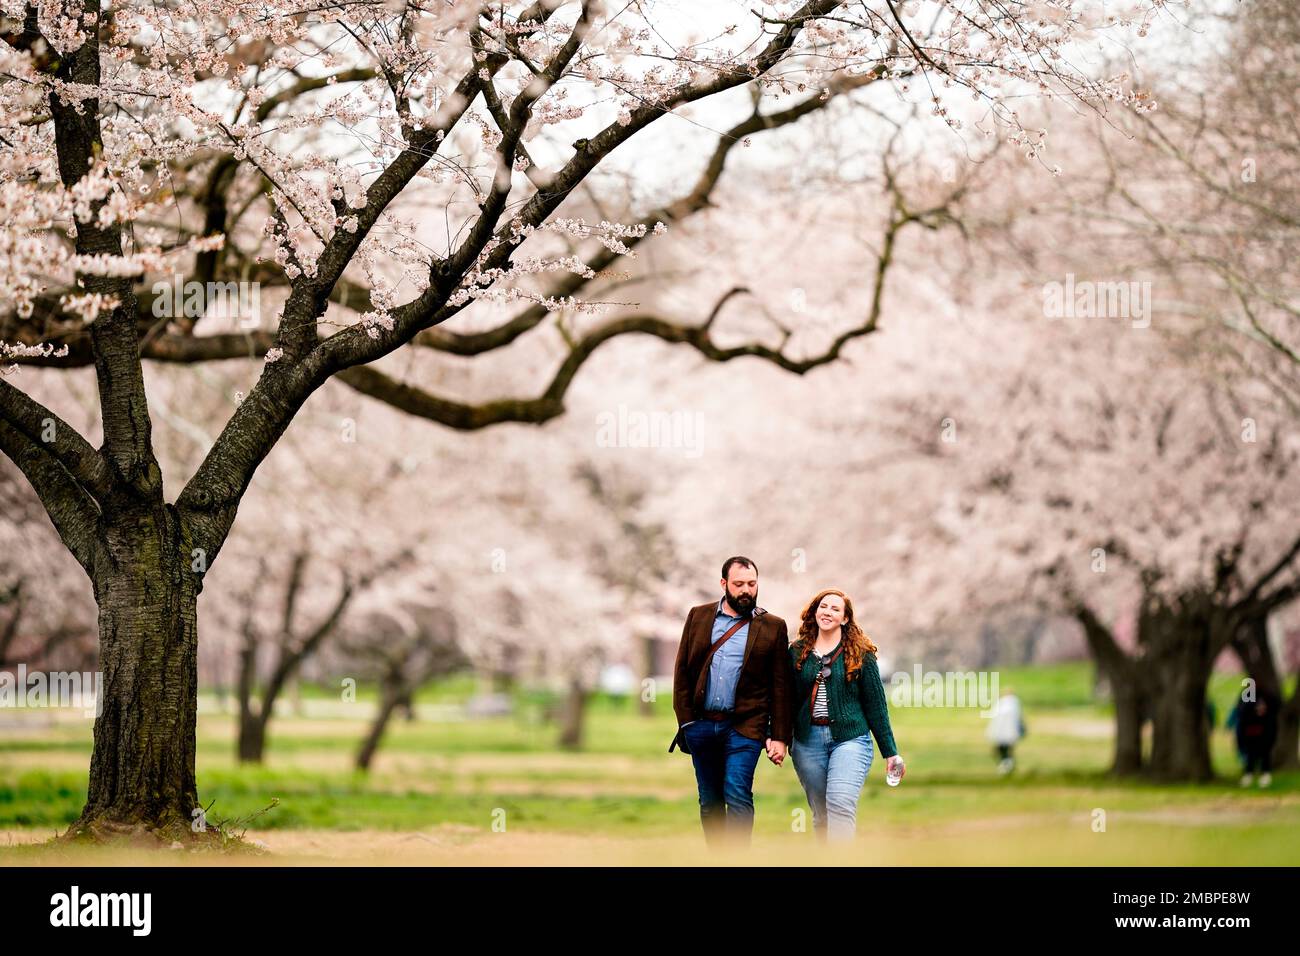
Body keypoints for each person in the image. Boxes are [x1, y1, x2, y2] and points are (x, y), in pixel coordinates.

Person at [671, 556, 794, 847]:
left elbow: (781, 686)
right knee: (710, 801)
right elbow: (682, 673)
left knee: (738, 794)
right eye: (739, 584)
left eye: (752, 584)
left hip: (745, 728)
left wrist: (779, 736)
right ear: (724, 584)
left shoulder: (773, 626)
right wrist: (687, 722)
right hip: (701, 725)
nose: (746, 590)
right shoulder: (698, 616)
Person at [787, 588, 904, 841]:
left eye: (835, 609)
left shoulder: (862, 654)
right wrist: (775, 736)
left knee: (840, 804)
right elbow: (785, 700)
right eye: (823, 606)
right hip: (807, 742)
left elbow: (877, 707)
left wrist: (891, 752)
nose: (828, 612)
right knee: (822, 816)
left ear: (845, 618)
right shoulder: (796, 652)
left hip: (850, 740)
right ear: (815, 611)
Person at [1232, 693, 1279, 788]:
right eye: (1258, 706)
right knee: (1250, 757)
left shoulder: (1269, 719)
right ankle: (1248, 775)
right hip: (1251, 740)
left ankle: (1265, 776)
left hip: (1264, 740)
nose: (1261, 708)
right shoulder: (1246, 715)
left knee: (1265, 756)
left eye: (1263, 706)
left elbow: (1272, 731)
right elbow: (1240, 729)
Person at [986, 687, 1024, 774]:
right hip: (1008, 733)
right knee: (1006, 750)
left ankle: (1006, 766)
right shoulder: (1014, 703)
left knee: (1001, 750)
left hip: (1001, 733)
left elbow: (993, 716)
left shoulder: (1002, 703)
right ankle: (1008, 765)